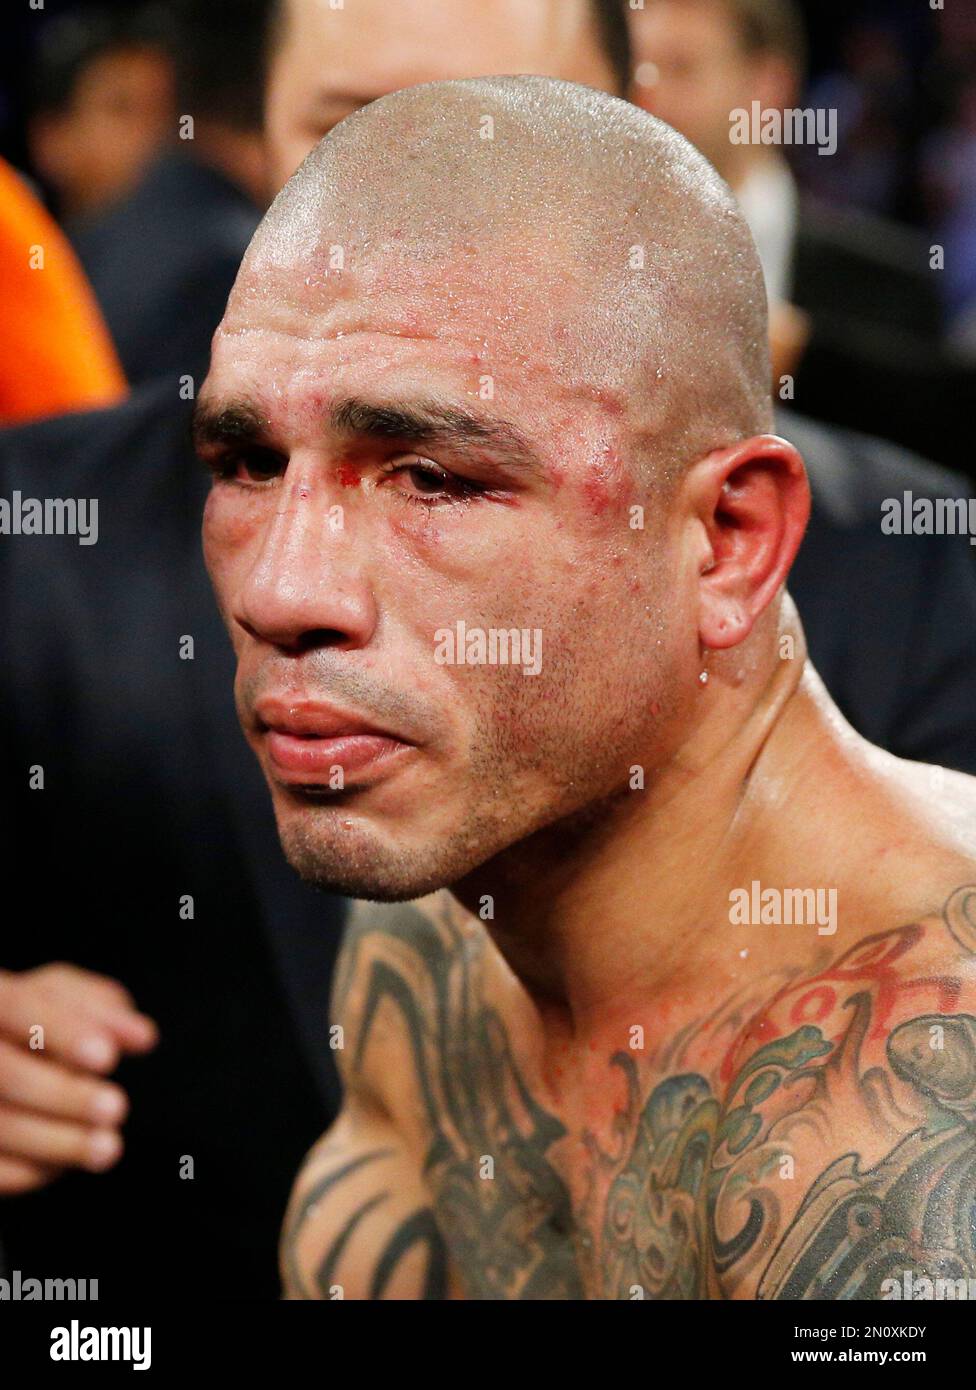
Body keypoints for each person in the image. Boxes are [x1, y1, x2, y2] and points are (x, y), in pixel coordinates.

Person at [196, 76, 976, 1300]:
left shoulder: (919, 1139)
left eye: (431, 477)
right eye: (246, 460)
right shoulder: (438, 904)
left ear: (725, 539)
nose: (282, 591)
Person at [0, 0, 635, 1300]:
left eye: (512, 146)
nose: (423, 214)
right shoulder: (31, 544)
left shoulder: (897, 578)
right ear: (262, 149)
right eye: (357, 136)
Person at [628, 0, 974, 472]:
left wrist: (802, 361)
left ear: (767, 87)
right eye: (632, 69)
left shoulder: (888, 282)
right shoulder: (578, 260)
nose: (647, 98)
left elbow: (934, 455)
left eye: (681, 69)